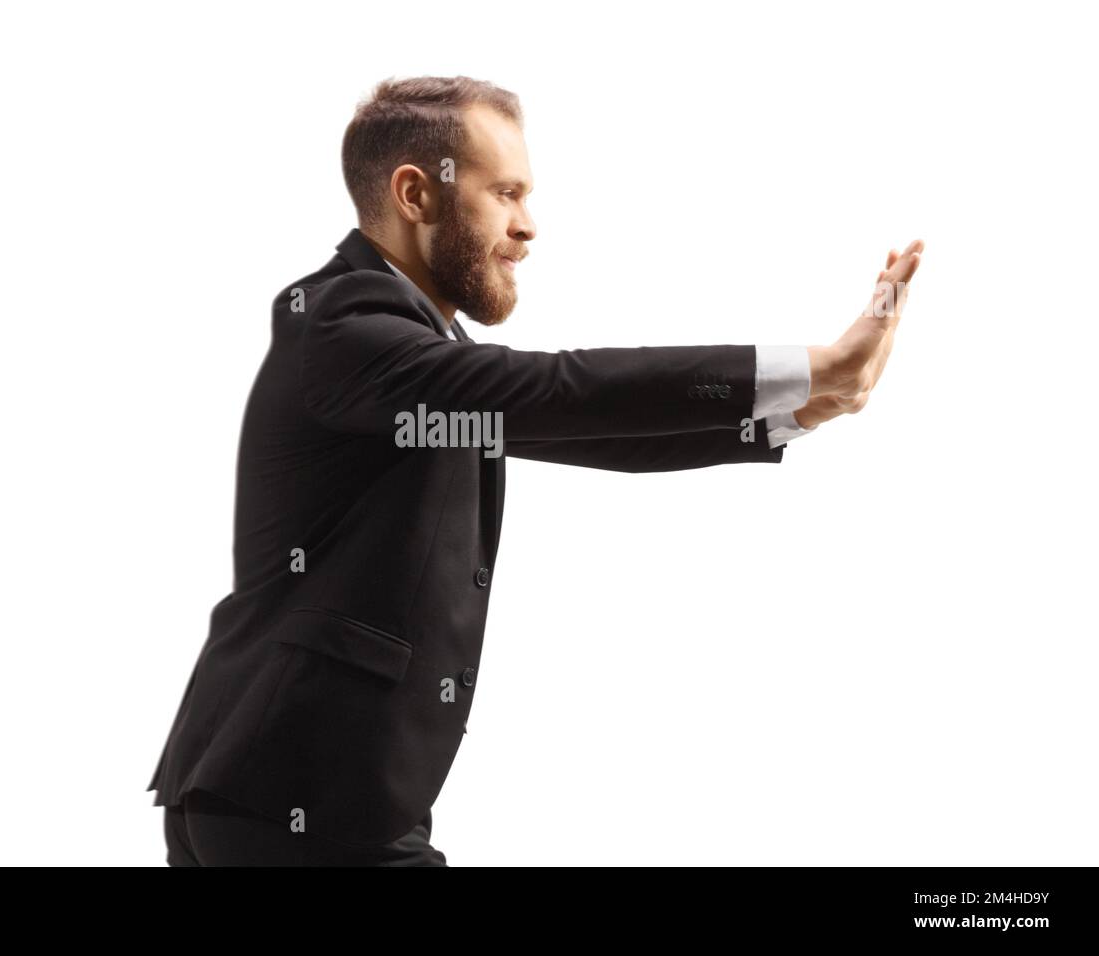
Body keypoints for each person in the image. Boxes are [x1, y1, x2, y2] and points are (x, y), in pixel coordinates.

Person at [146, 75, 923, 865]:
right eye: (506, 193)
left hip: (294, 789)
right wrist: (812, 364)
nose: (528, 227)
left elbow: (581, 431)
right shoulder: (343, 323)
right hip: (298, 790)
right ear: (416, 194)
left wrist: (795, 411)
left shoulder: (410, 358)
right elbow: (559, 389)